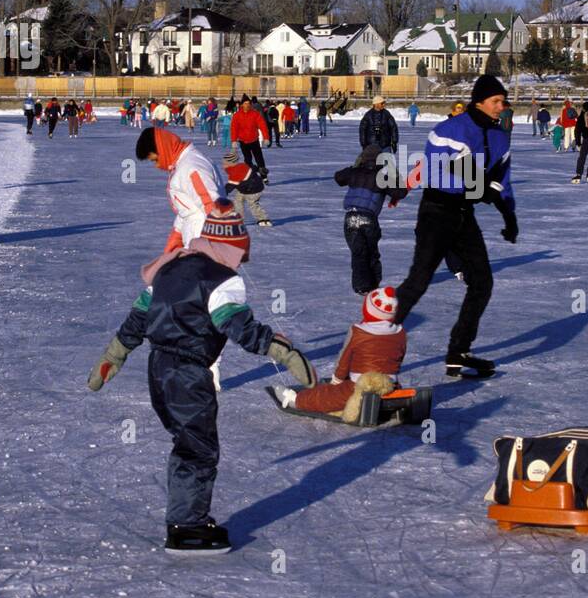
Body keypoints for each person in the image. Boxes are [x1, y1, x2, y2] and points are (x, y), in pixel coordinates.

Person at [87, 199, 318, 554]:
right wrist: (282, 350)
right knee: (197, 449)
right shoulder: (222, 280)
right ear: (231, 248)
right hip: (189, 375)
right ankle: (187, 526)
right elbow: (238, 326)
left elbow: (138, 319)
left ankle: (185, 517)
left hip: (158, 373)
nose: (242, 262)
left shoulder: (169, 270)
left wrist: (114, 354)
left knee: (187, 444)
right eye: (241, 254)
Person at [393, 74, 516, 378]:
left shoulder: (500, 137)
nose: (502, 106)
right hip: (437, 211)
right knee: (418, 281)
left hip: (464, 215)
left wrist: (509, 216)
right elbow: (436, 168)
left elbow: (502, 180)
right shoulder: (450, 129)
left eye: (503, 101)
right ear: (480, 102)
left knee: (482, 282)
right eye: (496, 101)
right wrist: (479, 185)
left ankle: (458, 352)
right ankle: (377, 344)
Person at [269, 288, 406, 419]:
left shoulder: (359, 332)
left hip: (357, 386)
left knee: (326, 396)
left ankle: (296, 400)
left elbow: (344, 359)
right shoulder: (400, 332)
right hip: (390, 386)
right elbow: (399, 357)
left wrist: (337, 381)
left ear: (368, 310)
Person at [135, 126, 227, 249]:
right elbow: (189, 209)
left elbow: (212, 206)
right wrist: (177, 237)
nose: (157, 166)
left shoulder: (191, 167)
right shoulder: (184, 165)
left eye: (155, 160)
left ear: (162, 148)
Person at [336, 144, 408, 293]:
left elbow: (338, 177)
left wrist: (354, 168)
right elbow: (401, 192)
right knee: (371, 253)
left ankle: (361, 286)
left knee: (358, 253)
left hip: (350, 217)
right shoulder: (383, 176)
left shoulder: (354, 172)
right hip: (368, 218)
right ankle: (373, 284)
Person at [223, 148, 271, 227]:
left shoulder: (235, 173)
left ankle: (263, 219)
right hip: (247, 188)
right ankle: (238, 217)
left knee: (253, 204)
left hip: (252, 190)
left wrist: (222, 192)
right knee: (238, 200)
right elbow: (254, 168)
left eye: (225, 163)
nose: (223, 165)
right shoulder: (243, 166)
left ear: (232, 163)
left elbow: (230, 186)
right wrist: (260, 169)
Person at [231, 97, 270, 182]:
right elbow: (234, 128)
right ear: (242, 105)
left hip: (254, 140)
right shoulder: (237, 115)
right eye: (245, 103)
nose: (247, 105)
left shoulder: (255, 114)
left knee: (259, 158)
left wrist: (266, 138)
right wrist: (234, 140)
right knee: (248, 160)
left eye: (249, 103)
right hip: (243, 141)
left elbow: (262, 126)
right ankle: (253, 172)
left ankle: (264, 176)